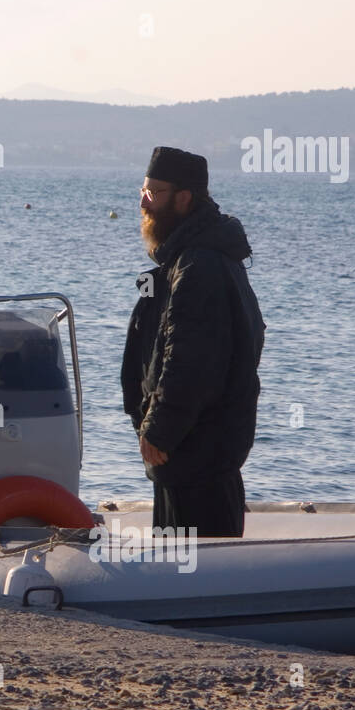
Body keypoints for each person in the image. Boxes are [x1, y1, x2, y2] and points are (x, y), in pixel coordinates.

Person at [120, 146, 265, 538]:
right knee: (178, 570)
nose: (143, 203)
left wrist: (160, 429)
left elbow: (191, 360)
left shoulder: (200, 266)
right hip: (189, 454)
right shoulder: (188, 260)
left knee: (196, 574)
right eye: (142, 191)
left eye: (154, 193)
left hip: (196, 454)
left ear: (184, 198)